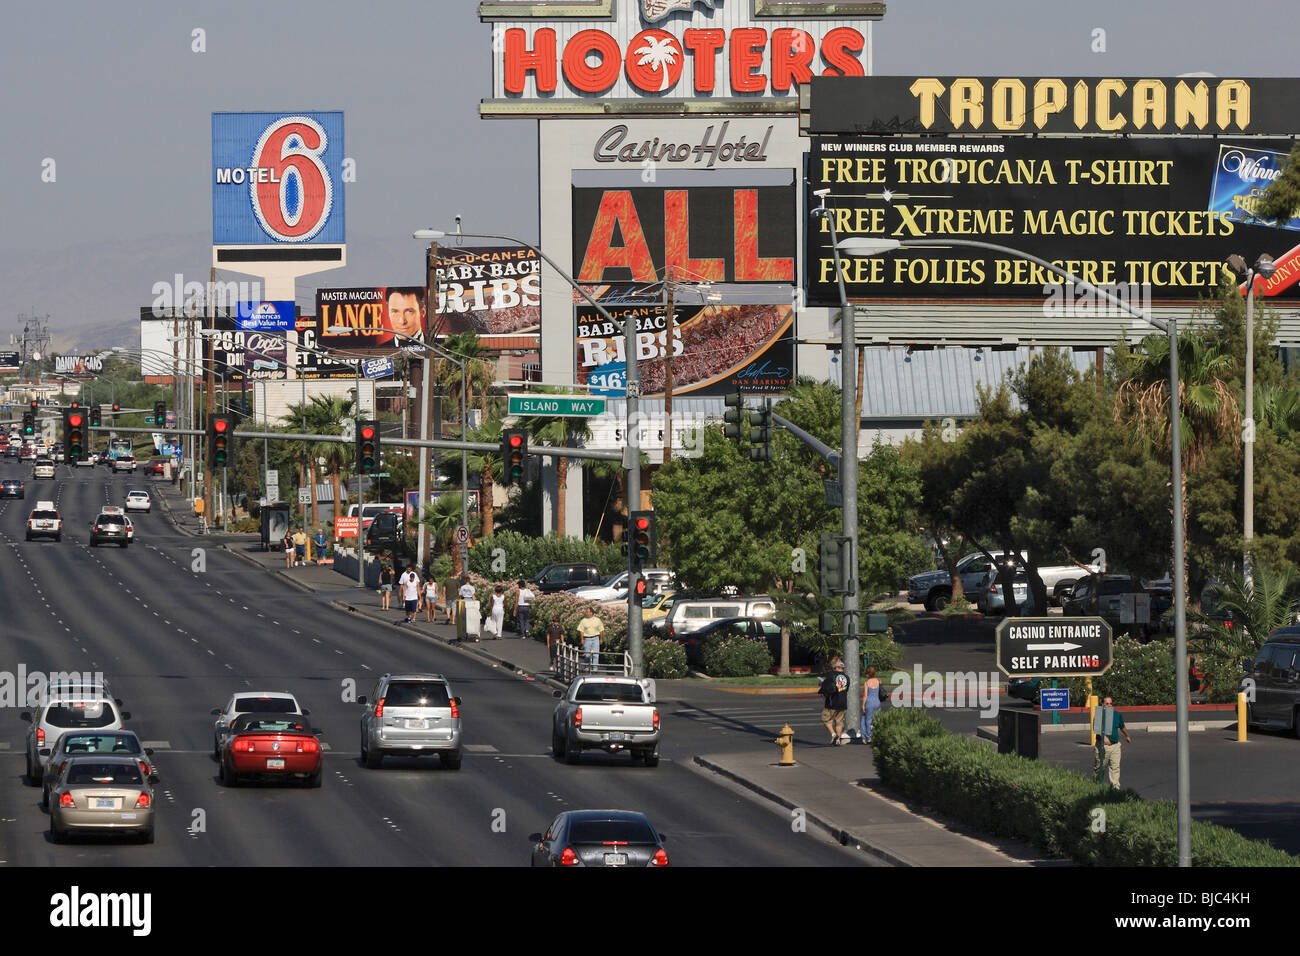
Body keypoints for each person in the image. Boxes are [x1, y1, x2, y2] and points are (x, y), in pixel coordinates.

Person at [1093, 695, 1132, 788]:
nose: (1109, 705)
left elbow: (1122, 727)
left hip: (1115, 745)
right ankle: (1095, 785)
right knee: (1100, 768)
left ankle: (1115, 788)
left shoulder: (1117, 714)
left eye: (1111, 703)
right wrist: (1104, 737)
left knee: (1115, 767)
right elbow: (1097, 729)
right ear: (1102, 705)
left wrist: (1127, 735)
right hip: (1103, 746)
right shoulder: (1099, 714)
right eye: (1107, 704)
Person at [818, 657, 851, 745]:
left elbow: (825, 688)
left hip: (832, 702)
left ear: (835, 666)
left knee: (825, 719)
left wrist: (821, 684)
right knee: (839, 722)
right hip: (843, 702)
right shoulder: (847, 677)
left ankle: (833, 735)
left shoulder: (831, 675)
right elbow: (846, 689)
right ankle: (838, 739)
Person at [859, 665, 882, 745]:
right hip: (877, 702)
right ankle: (875, 736)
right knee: (876, 720)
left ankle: (868, 738)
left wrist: (863, 705)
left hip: (869, 702)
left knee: (867, 720)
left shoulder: (866, 683)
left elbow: (865, 695)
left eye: (866, 674)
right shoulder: (878, 681)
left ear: (868, 674)